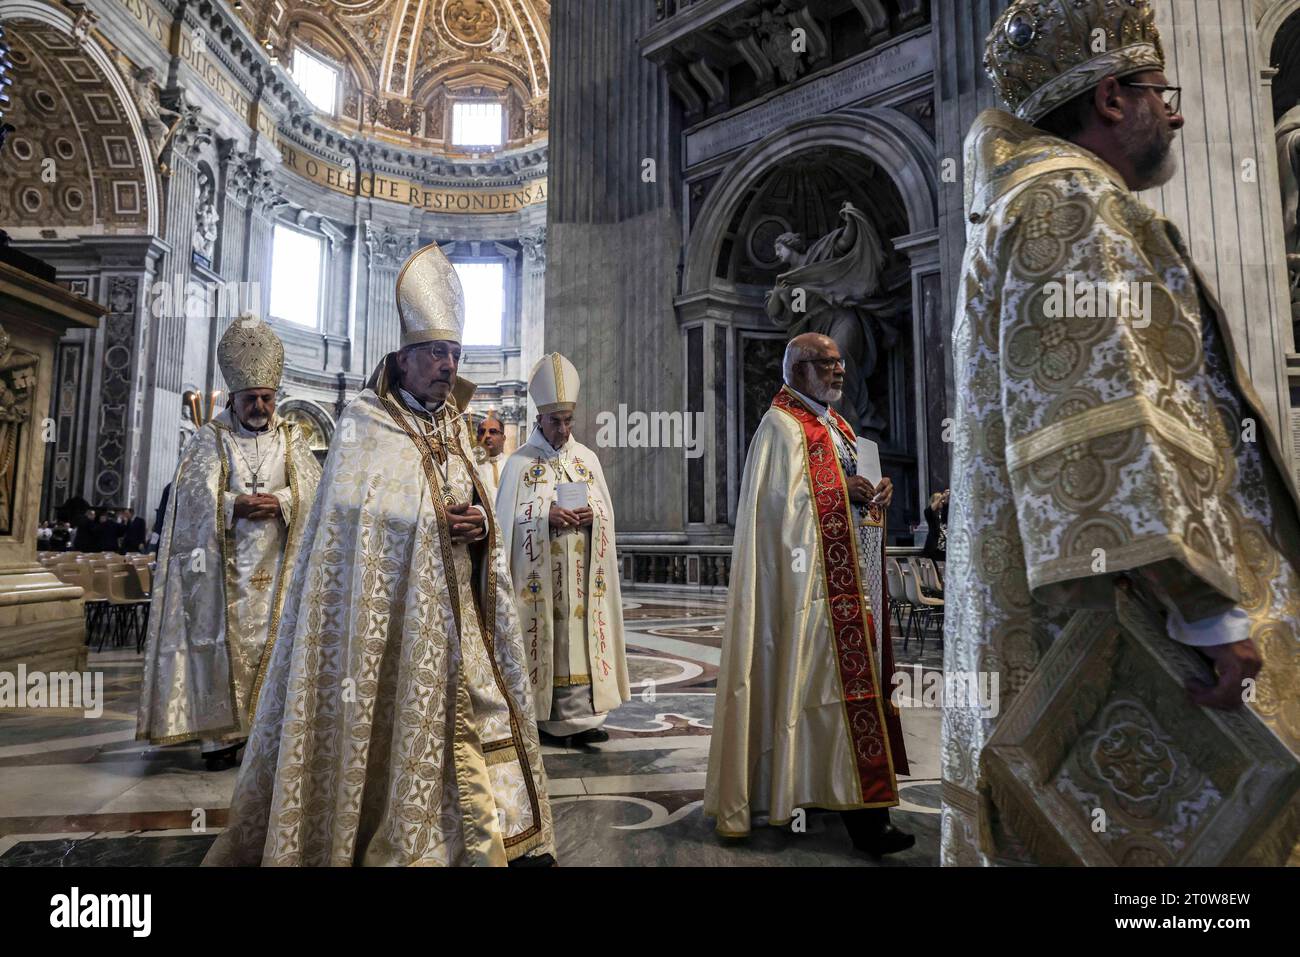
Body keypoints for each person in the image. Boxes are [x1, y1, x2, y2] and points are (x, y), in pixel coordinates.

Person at [944, 0, 1300, 865]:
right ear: (1110, 97)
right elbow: (1098, 426)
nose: (1174, 110)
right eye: (1157, 90)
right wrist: (1208, 608)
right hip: (1120, 629)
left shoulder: (1019, 207)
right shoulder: (1071, 201)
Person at [203, 244, 554, 867]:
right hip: (396, 620)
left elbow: (473, 503)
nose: (448, 366)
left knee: (480, 712)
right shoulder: (366, 422)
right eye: (436, 354)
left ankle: (504, 836)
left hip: (460, 621)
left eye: (453, 354)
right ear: (405, 358)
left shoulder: (453, 427)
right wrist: (427, 524)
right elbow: (352, 521)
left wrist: (480, 528)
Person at [705, 332, 913, 855]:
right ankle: (868, 820)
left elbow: (848, 488)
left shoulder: (835, 426)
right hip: (807, 595)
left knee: (830, 700)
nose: (838, 371)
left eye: (840, 362)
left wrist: (876, 493)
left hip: (845, 588)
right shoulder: (781, 426)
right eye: (825, 363)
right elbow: (780, 510)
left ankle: (820, 791)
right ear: (796, 370)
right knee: (827, 697)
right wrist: (844, 492)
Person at [137, 317, 322, 771]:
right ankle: (221, 736)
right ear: (233, 400)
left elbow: (316, 495)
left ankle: (274, 731)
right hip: (221, 570)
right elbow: (189, 498)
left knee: (281, 642)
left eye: (266, 397)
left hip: (282, 564)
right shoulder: (209, 439)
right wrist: (232, 505)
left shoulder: (292, 439)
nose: (260, 406)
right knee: (217, 642)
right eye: (251, 398)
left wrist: (280, 500)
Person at [496, 353, 630, 743]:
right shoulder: (520, 463)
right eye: (556, 421)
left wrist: (594, 518)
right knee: (547, 636)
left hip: (585, 580)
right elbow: (507, 524)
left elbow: (605, 512)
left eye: (569, 420)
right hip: (541, 581)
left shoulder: (586, 459)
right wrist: (543, 517)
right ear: (539, 418)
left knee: (582, 635)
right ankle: (546, 719)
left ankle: (587, 719)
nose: (564, 428)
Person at [474, 413, 507, 502]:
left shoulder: (513, 465)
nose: (487, 436)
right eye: (482, 432)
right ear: (477, 438)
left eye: (493, 431)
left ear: (503, 438)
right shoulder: (471, 466)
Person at [921, 489, 948, 563]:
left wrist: (946, 499)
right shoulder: (929, 513)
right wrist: (941, 497)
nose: (941, 501)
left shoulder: (944, 513)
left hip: (946, 550)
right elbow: (930, 510)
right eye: (939, 499)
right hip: (934, 549)